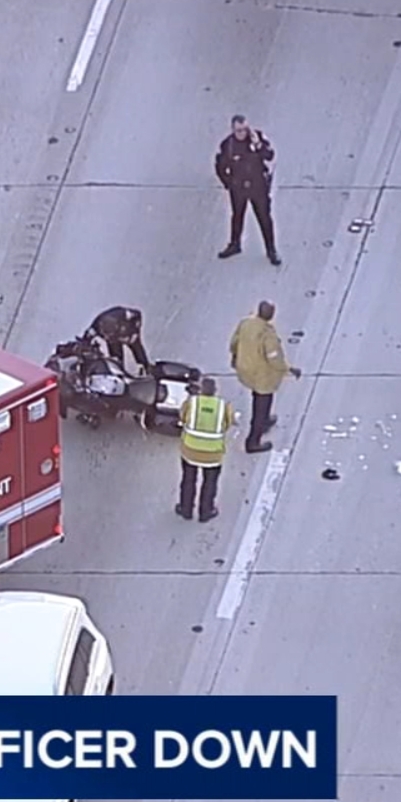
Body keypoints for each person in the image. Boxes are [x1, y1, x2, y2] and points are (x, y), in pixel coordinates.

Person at [230, 300, 302, 454]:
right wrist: (288, 369)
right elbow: (274, 358)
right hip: (262, 374)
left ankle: (264, 420)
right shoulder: (267, 334)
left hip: (245, 369)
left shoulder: (245, 324)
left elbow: (234, 342)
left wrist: (235, 357)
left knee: (257, 396)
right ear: (271, 315)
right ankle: (253, 440)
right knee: (262, 403)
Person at [215, 115, 281, 265]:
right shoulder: (228, 145)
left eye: (244, 129)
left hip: (258, 187)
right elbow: (220, 166)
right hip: (238, 188)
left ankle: (271, 250)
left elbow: (269, 155)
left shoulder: (256, 138)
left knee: (264, 218)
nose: (242, 133)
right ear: (233, 130)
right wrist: (228, 183)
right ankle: (235, 244)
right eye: (238, 130)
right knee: (237, 216)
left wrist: (258, 145)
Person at [176, 377, 234, 524]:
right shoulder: (223, 406)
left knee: (188, 480)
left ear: (201, 390)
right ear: (215, 392)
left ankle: (185, 509)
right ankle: (206, 511)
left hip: (190, 451)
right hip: (213, 454)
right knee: (210, 482)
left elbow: (182, 418)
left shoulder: (192, 403)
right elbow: (228, 424)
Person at [84, 306, 150, 373]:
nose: (106, 337)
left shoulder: (127, 315)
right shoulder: (97, 325)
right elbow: (86, 338)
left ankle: (145, 367)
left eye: (109, 334)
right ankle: (119, 371)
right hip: (116, 338)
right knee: (116, 356)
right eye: (104, 334)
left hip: (128, 331)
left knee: (137, 348)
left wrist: (135, 332)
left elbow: (137, 314)